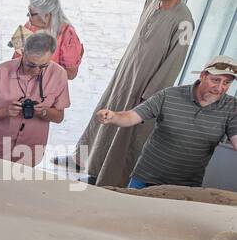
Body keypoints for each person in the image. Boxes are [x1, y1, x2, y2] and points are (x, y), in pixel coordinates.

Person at [67, 0, 195, 185]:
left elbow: (174, 63)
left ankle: (104, 178)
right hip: (126, 73)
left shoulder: (184, 23)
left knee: (125, 134)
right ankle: (83, 160)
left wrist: (150, 96)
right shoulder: (151, 0)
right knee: (106, 113)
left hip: (145, 87)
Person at [94, 55, 237, 189]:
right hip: (146, 178)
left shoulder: (232, 107)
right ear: (203, 75)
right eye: (215, 80)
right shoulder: (169, 95)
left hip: (186, 187)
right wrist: (112, 116)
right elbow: (132, 116)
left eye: (227, 83)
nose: (220, 88)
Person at [0, 32, 71, 166]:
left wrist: (43, 112)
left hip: (30, 150)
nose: (37, 70)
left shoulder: (59, 74)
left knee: (20, 186)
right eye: (31, 65)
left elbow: (59, 117)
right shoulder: (1, 71)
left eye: (43, 66)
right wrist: (5, 111)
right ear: (23, 52)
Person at [9, 0, 83, 81]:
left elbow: (71, 74)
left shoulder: (68, 35)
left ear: (46, 15)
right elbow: (14, 61)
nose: (28, 16)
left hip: (48, 88)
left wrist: (38, 70)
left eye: (31, 13)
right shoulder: (29, 25)